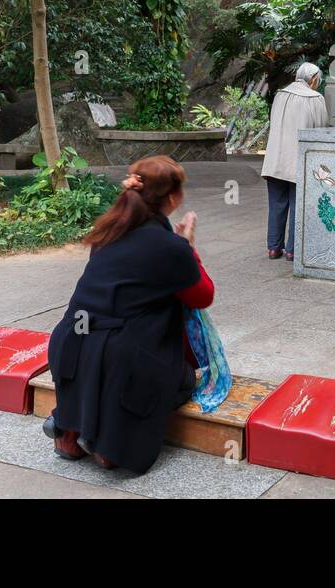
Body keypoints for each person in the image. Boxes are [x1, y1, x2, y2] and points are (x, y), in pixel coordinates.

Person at [44, 155, 215, 474]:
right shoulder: (171, 248)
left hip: (69, 344)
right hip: (120, 357)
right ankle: (108, 445)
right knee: (181, 379)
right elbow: (203, 295)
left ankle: (69, 427)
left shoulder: (109, 230)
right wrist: (188, 248)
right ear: (173, 198)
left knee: (102, 357)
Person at [261, 62, 329, 260]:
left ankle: (274, 248)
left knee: (276, 204)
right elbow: (321, 130)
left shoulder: (280, 95)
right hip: (299, 161)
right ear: (314, 79)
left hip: (275, 160)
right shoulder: (316, 99)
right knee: (297, 204)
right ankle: (292, 250)